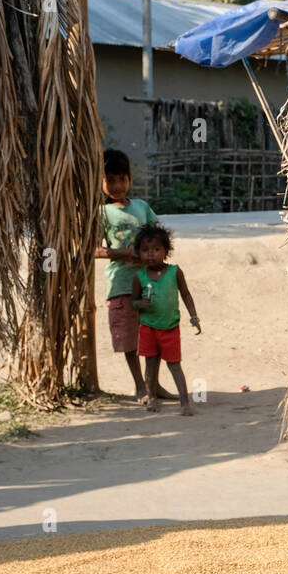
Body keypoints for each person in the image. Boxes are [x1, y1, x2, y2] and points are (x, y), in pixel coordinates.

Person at [95, 149, 172, 403]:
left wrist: (151, 254)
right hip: (122, 283)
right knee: (130, 338)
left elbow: (160, 236)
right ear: (101, 181)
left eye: (122, 179)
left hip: (150, 282)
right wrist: (123, 252)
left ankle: (154, 384)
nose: (117, 186)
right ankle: (140, 386)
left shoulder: (141, 207)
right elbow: (94, 249)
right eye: (111, 180)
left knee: (154, 332)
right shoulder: (102, 213)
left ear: (130, 178)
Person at [133, 222, 201, 415]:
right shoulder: (140, 277)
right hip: (148, 328)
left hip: (170, 327)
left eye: (156, 249)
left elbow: (186, 294)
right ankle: (152, 398)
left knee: (174, 365)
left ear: (166, 250)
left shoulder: (174, 272)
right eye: (145, 250)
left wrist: (194, 316)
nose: (151, 254)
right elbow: (133, 302)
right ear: (139, 253)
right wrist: (140, 304)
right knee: (151, 365)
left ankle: (185, 402)